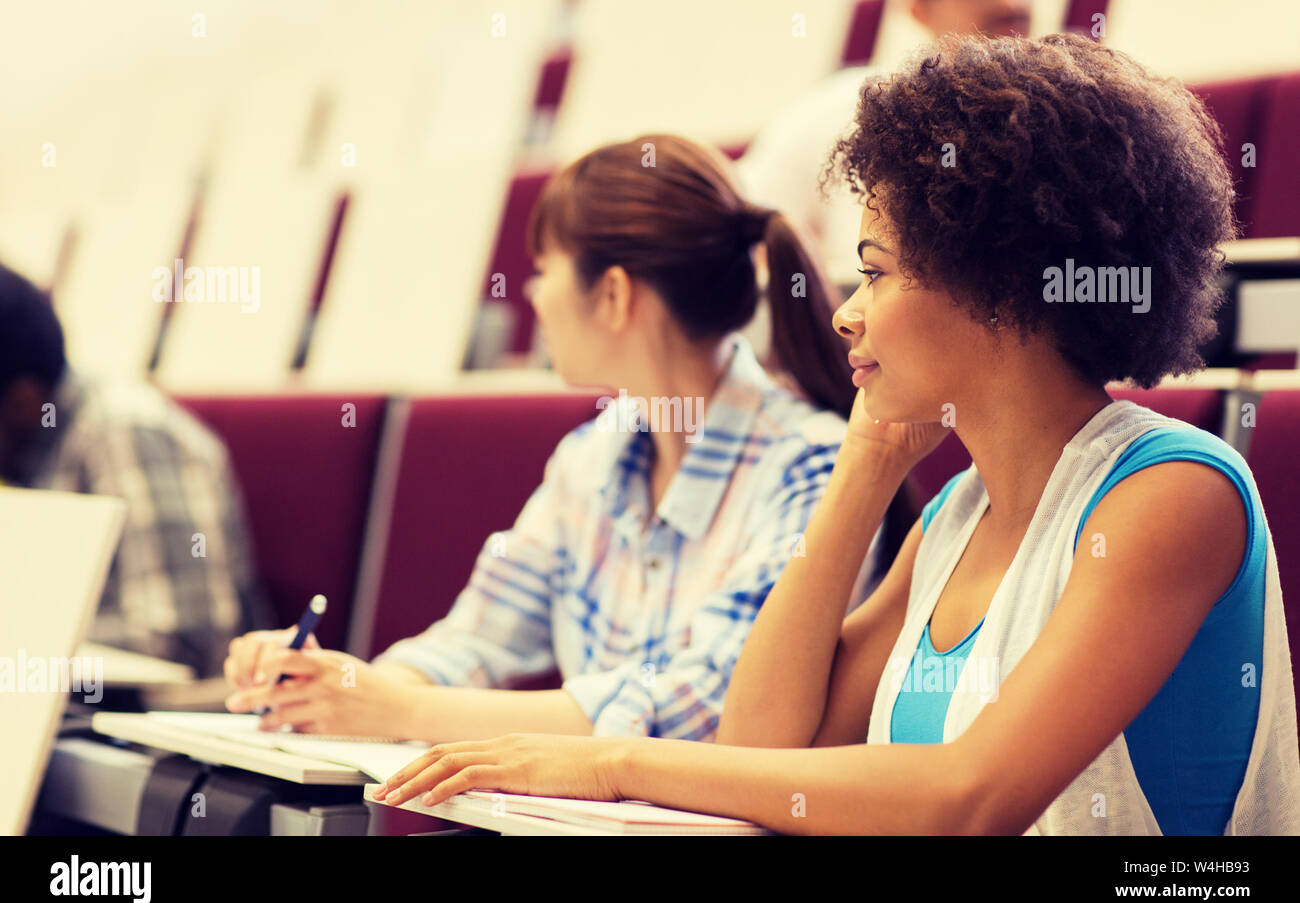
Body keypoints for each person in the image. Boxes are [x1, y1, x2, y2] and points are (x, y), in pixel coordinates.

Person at [375, 34, 1300, 836]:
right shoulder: (953, 519)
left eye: (875, 273)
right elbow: (764, 742)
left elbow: (966, 800)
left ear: (999, 286)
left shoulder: (1175, 491)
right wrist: (864, 464)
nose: (847, 316)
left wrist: (617, 761)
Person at [224, 135, 874, 743]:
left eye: (544, 269)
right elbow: (473, 642)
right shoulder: (589, 457)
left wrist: (403, 708)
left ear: (614, 295)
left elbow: (713, 703)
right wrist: (330, 684)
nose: (532, 294)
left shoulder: (809, 466)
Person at [0, 262, 262, 677]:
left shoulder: (125, 429)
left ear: (23, 399)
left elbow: (183, 637)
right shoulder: (28, 443)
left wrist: (22, 644)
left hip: (160, 721)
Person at [737, 0, 1032, 357]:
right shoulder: (835, 110)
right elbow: (739, 236)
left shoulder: (1072, 129)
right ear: (920, 8)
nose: (1013, 3)